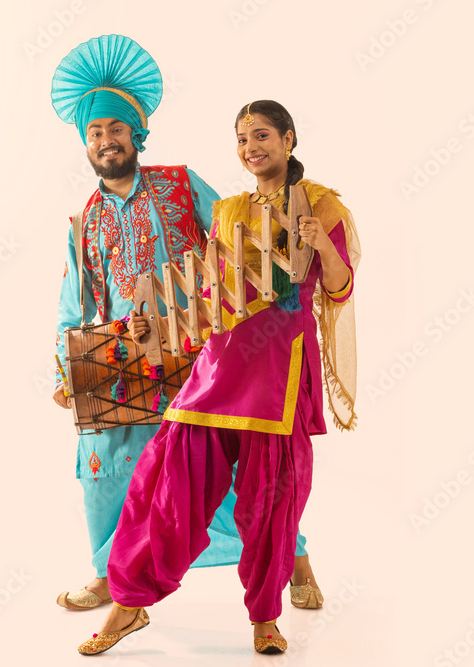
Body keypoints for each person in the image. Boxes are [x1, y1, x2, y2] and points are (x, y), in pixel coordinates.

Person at [76, 99, 361, 656]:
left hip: (279, 369)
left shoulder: (323, 206)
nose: (251, 148)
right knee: (165, 488)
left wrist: (320, 241)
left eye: (261, 136)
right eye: (242, 140)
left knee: (269, 501)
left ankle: (264, 617)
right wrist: (154, 318)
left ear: (289, 139)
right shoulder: (229, 211)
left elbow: (340, 288)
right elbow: (209, 292)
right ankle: (129, 604)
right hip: (218, 365)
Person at [50, 37, 322, 613]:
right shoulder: (82, 221)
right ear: (86, 144)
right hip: (118, 361)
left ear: (136, 134)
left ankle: (292, 557)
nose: (106, 140)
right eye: (95, 133)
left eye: (116, 129)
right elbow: (71, 307)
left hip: (198, 351)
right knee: (101, 473)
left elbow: (239, 244)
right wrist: (65, 369)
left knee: (242, 469)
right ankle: (107, 573)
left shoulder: (179, 183)